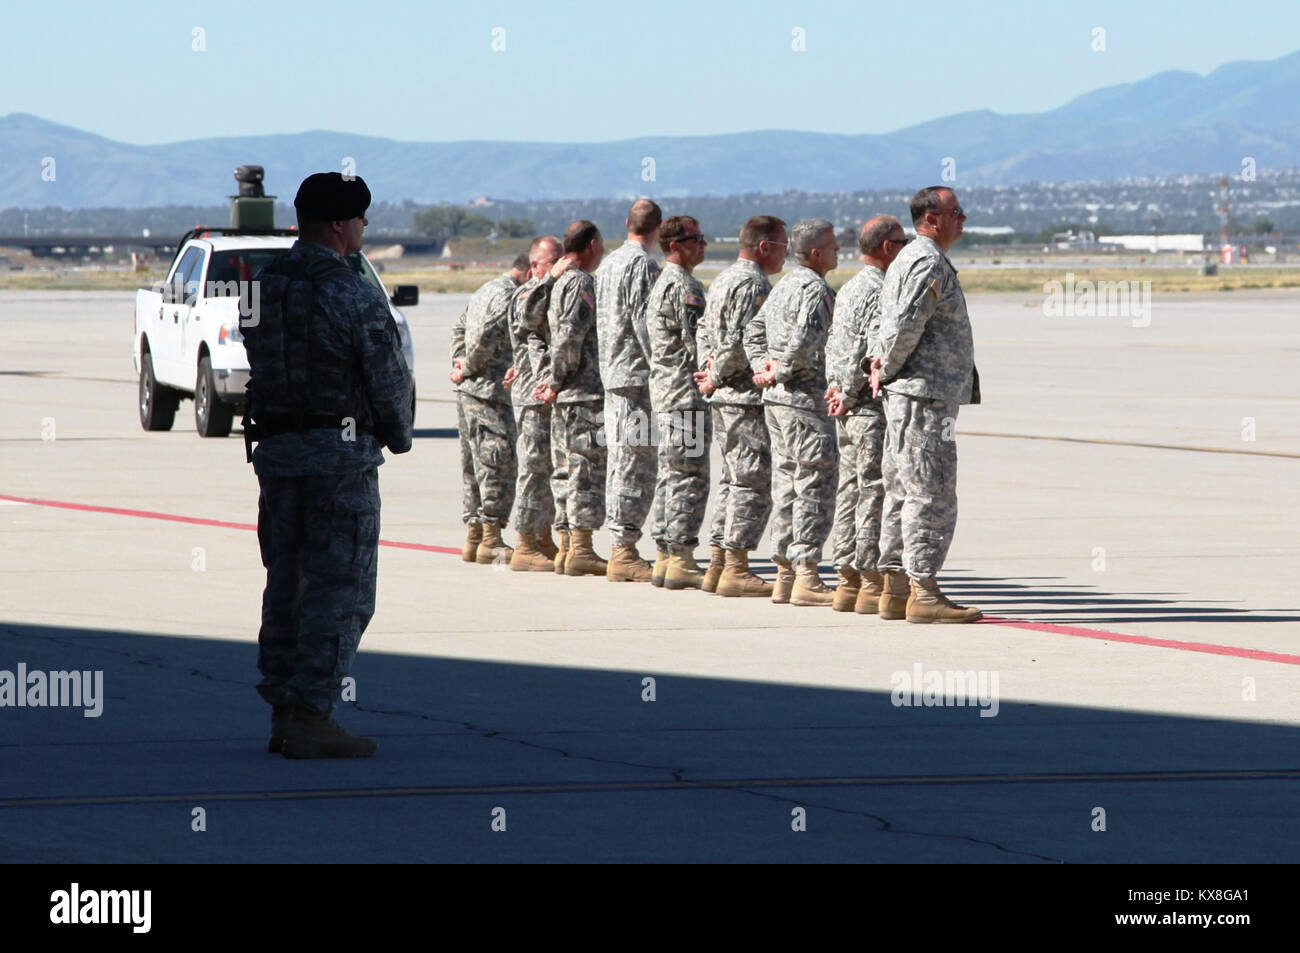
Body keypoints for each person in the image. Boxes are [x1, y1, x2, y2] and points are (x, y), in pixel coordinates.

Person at [243, 172, 412, 758]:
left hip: (279, 456)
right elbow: (387, 378)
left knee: (286, 584)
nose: (363, 230)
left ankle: (284, 711)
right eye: (361, 220)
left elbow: (256, 360)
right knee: (339, 590)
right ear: (342, 225)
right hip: (338, 459)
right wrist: (398, 433)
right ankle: (313, 714)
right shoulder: (352, 289)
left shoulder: (260, 286)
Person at [872, 186, 982, 623]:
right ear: (931, 219)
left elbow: (888, 326)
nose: (963, 219)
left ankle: (896, 588)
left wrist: (880, 366)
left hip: (915, 393)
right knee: (930, 494)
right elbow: (903, 326)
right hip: (923, 395)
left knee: (903, 491)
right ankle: (924, 591)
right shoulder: (927, 260)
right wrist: (891, 369)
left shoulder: (910, 258)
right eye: (956, 212)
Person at [744, 218, 839, 606]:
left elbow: (752, 331)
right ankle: (807, 574)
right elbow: (804, 342)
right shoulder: (815, 290)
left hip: (777, 402)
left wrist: (761, 368)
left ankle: (784, 573)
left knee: (786, 484)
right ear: (816, 253)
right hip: (803, 402)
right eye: (832, 245)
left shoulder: (784, 286)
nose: (838, 250)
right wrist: (779, 369)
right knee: (813, 485)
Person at [697, 215, 786, 597]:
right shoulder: (753, 284)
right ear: (764, 247)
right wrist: (715, 374)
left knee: (732, 480)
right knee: (751, 480)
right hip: (742, 396)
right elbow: (739, 341)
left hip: (723, 395)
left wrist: (705, 366)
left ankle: (718, 561)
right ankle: (736, 565)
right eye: (782, 246)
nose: (786, 255)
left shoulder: (724, 277)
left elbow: (704, 329)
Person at [823, 215, 907, 613]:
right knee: (873, 493)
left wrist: (837, 390)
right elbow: (869, 350)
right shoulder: (880, 289)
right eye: (902, 243)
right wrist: (853, 395)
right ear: (887, 248)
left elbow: (836, 347)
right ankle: (870, 580)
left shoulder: (852, 287)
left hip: (846, 402)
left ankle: (847, 580)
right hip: (866, 407)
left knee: (850, 490)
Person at [594, 199, 662, 582]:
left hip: (614, 372)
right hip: (637, 376)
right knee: (634, 465)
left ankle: (620, 542)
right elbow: (644, 322)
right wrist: (663, 367)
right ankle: (623, 548)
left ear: (626, 224)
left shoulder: (610, 263)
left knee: (621, 461)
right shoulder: (642, 265)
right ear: (657, 227)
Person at [534, 221, 608, 575]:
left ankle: (566, 546)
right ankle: (581, 547)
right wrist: (557, 379)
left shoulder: (561, 281)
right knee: (584, 469)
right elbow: (569, 337)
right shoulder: (580, 283)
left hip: (566, 392)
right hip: (580, 392)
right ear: (592, 245)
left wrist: (552, 381)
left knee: (566, 469)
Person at [450, 254, 529, 565]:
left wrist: (458, 362)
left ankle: (474, 535)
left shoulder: (485, 289)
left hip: (469, 391)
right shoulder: (509, 295)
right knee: (497, 463)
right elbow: (487, 335)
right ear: (527, 271)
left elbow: (459, 326)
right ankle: (492, 538)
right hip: (490, 392)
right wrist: (468, 366)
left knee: (473, 464)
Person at [646, 215, 710, 589]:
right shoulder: (684, 286)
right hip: (684, 395)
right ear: (675, 245)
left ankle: (666, 556)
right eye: (695, 239)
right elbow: (697, 343)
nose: (701, 245)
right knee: (689, 478)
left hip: (666, 392)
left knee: (671, 476)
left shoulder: (660, 282)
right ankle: (681, 556)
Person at [505, 236, 571, 570]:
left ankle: (543, 537)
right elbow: (528, 320)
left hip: (546, 394)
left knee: (548, 470)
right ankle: (525, 544)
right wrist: (551, 279)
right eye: (553, 260)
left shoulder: (549, 290)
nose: (561, 264)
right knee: (533, 469)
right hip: (532, 396)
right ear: (535, 267)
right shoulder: (527, 292)